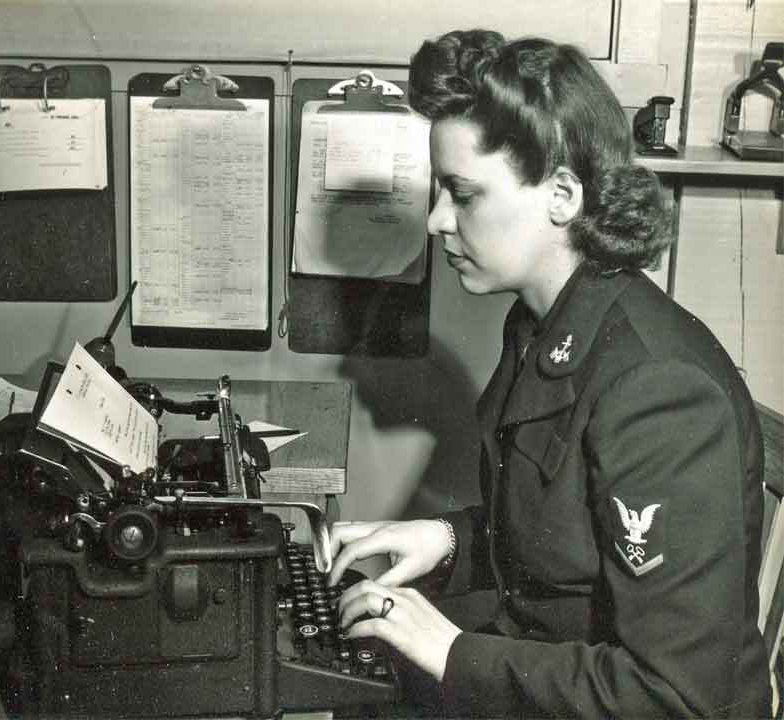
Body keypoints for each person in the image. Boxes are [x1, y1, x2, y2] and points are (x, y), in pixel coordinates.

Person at [327, 29, 771, 718]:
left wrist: (448, 650)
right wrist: (446, 539)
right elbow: (564, 542)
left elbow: (677, 698)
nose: (438, 221)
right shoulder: (547, 325)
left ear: (561, 194)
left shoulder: (657, 390)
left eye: (463, 194)